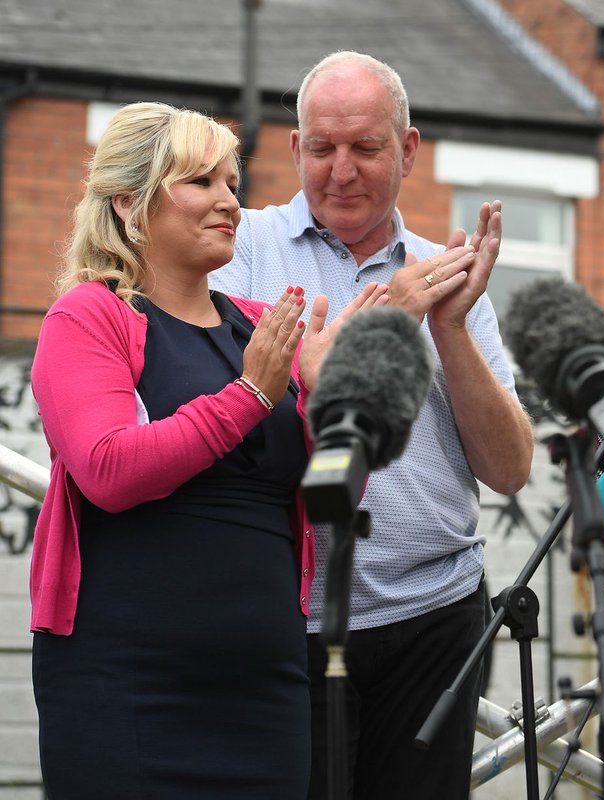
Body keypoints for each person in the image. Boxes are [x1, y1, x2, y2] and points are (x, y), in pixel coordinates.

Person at [28, 101, 384, 798]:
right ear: (129, 201)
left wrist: (334, 404)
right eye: (201, 182)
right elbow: (108, 470)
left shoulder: (262, 329)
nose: (230, 203)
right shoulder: (90, 316)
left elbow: (336, 498)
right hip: (126, 682)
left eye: (232, 183)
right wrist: (250, 394)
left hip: (265, 688)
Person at [209, 51, 534, 800]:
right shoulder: (240, 249)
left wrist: (449, 327)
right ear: (295, 148)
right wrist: (386, 323)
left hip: (436, 614)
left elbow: (511, 469)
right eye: (322, 148)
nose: (341, 171)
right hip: (286, 618)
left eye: (366, 147)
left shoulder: (447, 274)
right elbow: (220, 426)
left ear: (408, 150)